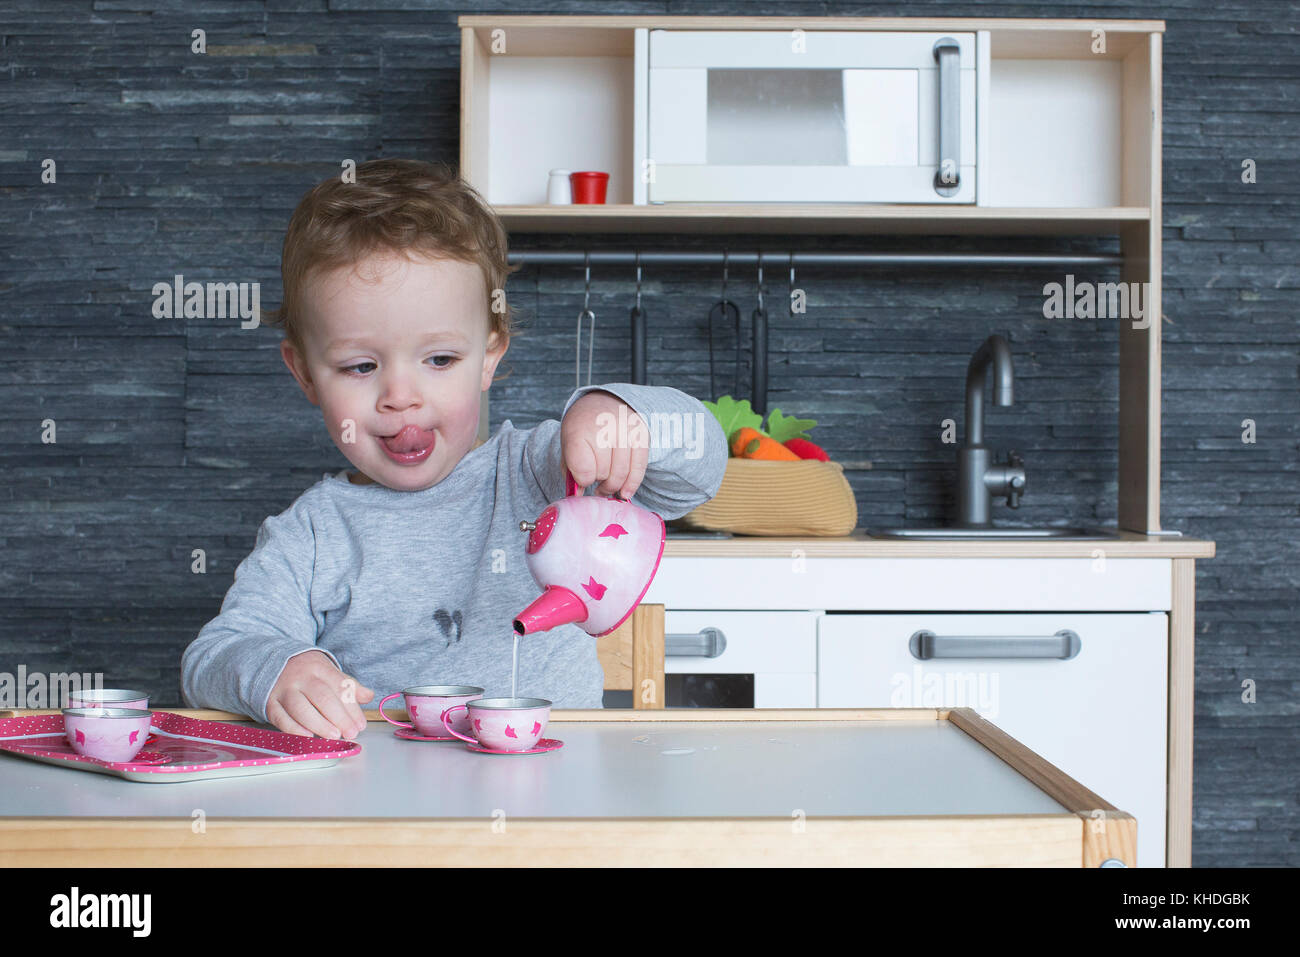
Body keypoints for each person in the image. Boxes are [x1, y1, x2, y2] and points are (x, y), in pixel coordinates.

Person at [180, 159, 728, 738]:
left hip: (555, 807)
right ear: (306, 374)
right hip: (390, 814)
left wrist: (622, 416)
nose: (401, 397)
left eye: (440, 359)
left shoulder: (547, 472)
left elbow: (700, 470)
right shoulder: (312, 535)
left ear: (490, 355)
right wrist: (280, 669)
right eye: (360, 366)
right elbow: (213, 656)